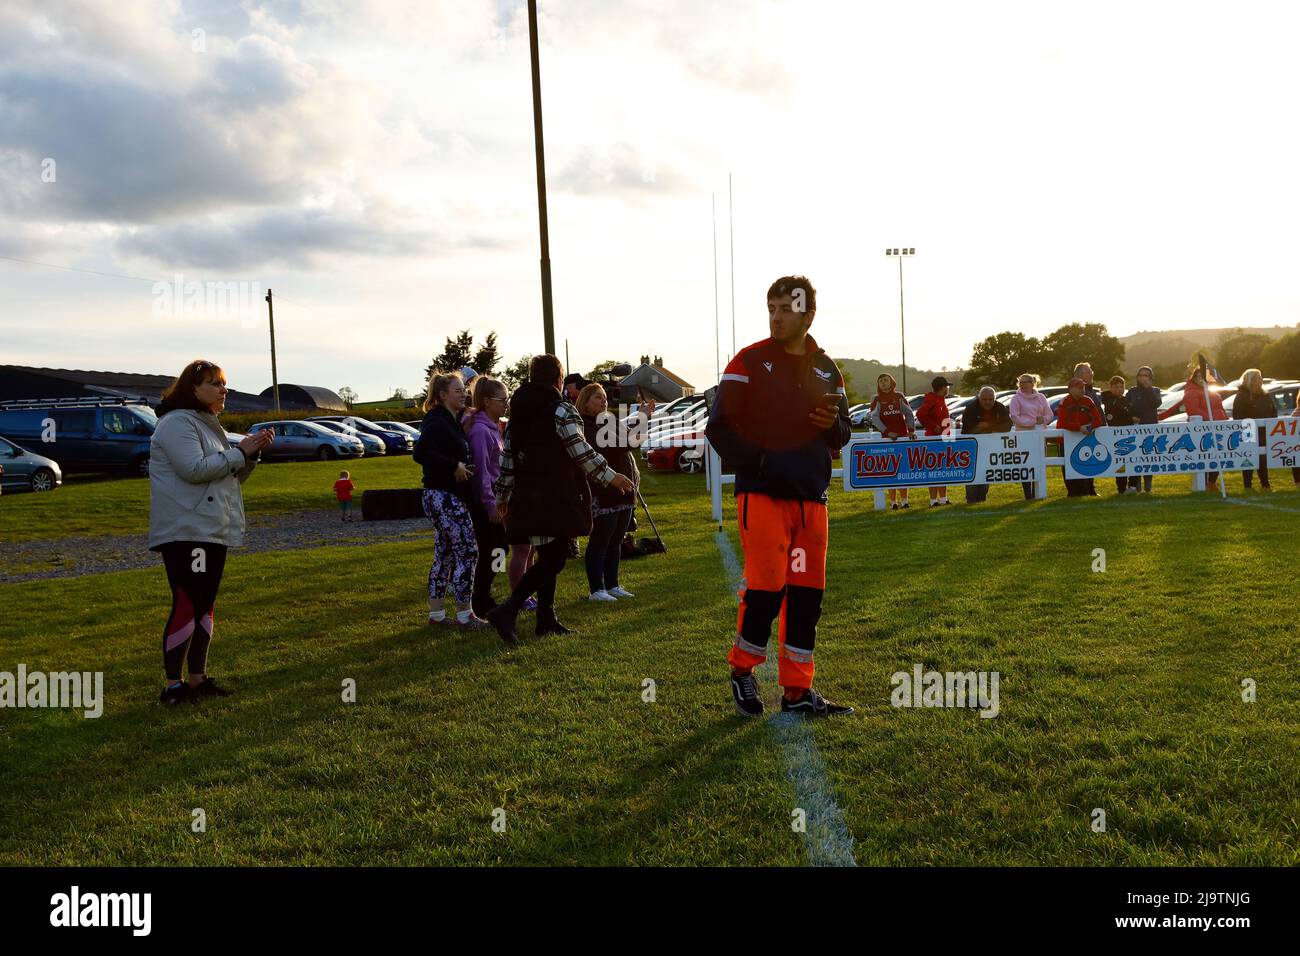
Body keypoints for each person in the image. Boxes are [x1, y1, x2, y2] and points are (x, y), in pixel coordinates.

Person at [706, 274, 854, 718]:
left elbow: (841, 435)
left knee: (807, 598)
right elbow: (719, 427)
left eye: (786, 309)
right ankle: (743, 671)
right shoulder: (749, 361)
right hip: (765, 496)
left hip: (812, 499)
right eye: (771, 308)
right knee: (768, 588)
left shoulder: (827, 368)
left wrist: (830, 423)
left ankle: (797, 691)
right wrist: (761, 463)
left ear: (808, 314)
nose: (776, 317)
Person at [486, 355, 634, 645]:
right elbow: (579, 450)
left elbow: (508, 457)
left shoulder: (519, 412)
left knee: (547, 554)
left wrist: (502, 495)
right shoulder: (560, 409)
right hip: (555, 493)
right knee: (554, 559)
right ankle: (508, 610)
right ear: (558, 379)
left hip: (526, 495)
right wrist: (610, 476)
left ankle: (545, 619)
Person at [149, 359, 273, 705]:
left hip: (210, 529)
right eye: (215, 384)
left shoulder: (207, 424)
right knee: (188, 603)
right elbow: (193, 470)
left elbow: (227, 477)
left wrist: (250, 457)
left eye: (224, 384)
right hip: (187, 532)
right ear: (193, 389)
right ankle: (173, 686)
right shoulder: (176, 424)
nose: (224, 390)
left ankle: (198, 679)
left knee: (205, 605)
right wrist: (238, 452)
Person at [413, 371, 489, 630]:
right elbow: (420, 453)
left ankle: (436, 615)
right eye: (458, 390)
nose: (464, 393)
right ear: (443, 395)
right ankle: (466, 615)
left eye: (463, 389)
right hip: (443, 496)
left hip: (445, 496)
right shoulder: (436, 420)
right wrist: (452, 465)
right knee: (468, 552)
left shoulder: (451, 420)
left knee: (444, 554)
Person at [577, 382, 647, 602]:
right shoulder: (585, 426)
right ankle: (596, 589)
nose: (603, 400)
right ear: (585, 403)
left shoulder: (610, 421)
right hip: (603, 491)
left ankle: (613, 584)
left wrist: (643, 418)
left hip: (624, 491)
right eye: (597, 397)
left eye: (604, 397)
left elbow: (631, 440)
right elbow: (616, 445)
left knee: (616, 540)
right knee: (600, 540)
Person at [464, 376, 510, 618]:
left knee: (500, 549)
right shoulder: (481, 430)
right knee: (493, 549)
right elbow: (481, 472)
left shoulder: (493, 427)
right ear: (486, 401)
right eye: (502, 399)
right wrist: (491, 505)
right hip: (485, 503)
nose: (506, 404)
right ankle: (480, 598)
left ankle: (485, 592)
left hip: (497, 500)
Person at [869, 373, 916, 510]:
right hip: (887, 440)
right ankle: (893, 502)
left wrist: (911, 430)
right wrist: (887, 432)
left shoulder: (899, 396)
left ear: (892, 382)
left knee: (903, 469)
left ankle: (904, 501)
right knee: (890, 469)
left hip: (902, 437)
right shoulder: (876, 399)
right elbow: (875, 418)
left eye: (886, 380)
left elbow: (908, 414)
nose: (883, 382)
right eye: (881, 381)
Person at [960, 386, 1012, 503]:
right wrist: (992, 427)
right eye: (984, 399)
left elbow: (1007, 426)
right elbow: (967, 427)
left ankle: (981, 499)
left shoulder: (1000, 407)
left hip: (991, 447)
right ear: (979, 398)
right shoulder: (971, 408)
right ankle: (971, 499)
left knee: (986, 473)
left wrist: (988, 426)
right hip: (972, 448)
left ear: (994, 398)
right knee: (973, 473)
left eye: (990, 399)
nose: (988, 402)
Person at [1183, 366, 1228, 492]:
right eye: (1199, 376)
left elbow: (1220, 408)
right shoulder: (1191, 392)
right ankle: (1205, 484)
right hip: (1205, 429)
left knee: (1218, 455)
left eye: (1205, 376)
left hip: (1218, 427)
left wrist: (1224, 419)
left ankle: (1212, 482)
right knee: (1206, 455)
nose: (1202, 379)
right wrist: (1210, 419)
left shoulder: (1210, 391)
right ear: (1194, 378)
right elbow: (1193, 411)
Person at [1056, 377, 1103, 497]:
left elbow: (1098, 420)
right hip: (1066, 441)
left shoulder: (1088, 401)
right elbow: (1061, 423)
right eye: (1080, 387)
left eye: (1083, 387)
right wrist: (1079, 427)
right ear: (1071, 389)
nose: (1083, 390)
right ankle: (1072, 492)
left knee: (1087, 463)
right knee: (1067, 465)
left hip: (1084, 440)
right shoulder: (1064, 402)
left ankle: (1087, 490)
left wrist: (1089, 427)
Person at [1008, 372, 1051, 499]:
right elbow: (1015, 417)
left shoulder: (1041, 397)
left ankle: (1038, 490)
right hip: (1023, 436)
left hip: (1039, 436)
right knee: (1025, 465)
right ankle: (1028, 493)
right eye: (1020, 382)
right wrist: (1033, 422)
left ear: (1032, 383)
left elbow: (1049, 414)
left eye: (1024, 382)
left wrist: (1042, 420)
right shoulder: (1016, 398)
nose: (1021, 385)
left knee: (1039, 463)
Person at [1233, 368, 1273, 491]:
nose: (1260, 381)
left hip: (1264, 431)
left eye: (1260, 378)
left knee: (1263, 458)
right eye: (1257, 378)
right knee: (1248, 458)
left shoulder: (1265, 395)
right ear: (1250, 380)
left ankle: (1265, 484)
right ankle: (1248, 485)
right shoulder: (1241, 397)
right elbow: (1238, 416)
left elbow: (1273, 411)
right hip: (1248, 432)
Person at [1125, 366, 1162, 493]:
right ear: (1137, 377)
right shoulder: (1132, 391)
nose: (1143, 378)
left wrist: (1148, 389)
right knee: (1136, 458)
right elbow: (1125, 407)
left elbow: (1156, 403)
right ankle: (1137, 487)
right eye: (1141, 375)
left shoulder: (1155, 390)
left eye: (1146, 375)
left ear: (1150, 377)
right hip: (1135, 430)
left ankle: (1148, 487)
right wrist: (1131, 416)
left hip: (1150, 430)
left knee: (1148, 459)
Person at [916, 376, 952, 506]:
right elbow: (920, 414)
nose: (948, 388)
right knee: (934, 469)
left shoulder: (940, 400)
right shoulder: (932, 399)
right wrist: (933, 426)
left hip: (943, 438)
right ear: (942, 387)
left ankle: (943, 498)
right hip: (934, 438)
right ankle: (933, 500)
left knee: (943, 469)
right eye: (946, 386)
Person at [1100, 375, 1137, 494]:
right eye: (1116, 387)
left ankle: (1132, 486)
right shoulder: (1110, 401)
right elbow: (1115, 415)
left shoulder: (1125, 400)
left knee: (1132, 460)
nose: (1120, 389)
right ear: (1110, 387)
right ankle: (1121, 488)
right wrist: (1130, 417)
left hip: (1130, 435)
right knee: (1120, 463)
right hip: (1117, 436)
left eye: (1122, 387)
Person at [1073, 363, 1104, 496]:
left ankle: (1090, 488)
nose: (1092, 374)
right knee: (1083, 459)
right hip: (1083, 432)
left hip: (1094, 431)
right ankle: (1084, 489)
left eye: (1092, 371)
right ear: (1079, 375)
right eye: (1088, 372)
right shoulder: (1079, 392)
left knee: (1093, 460)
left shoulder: (1091, 391)